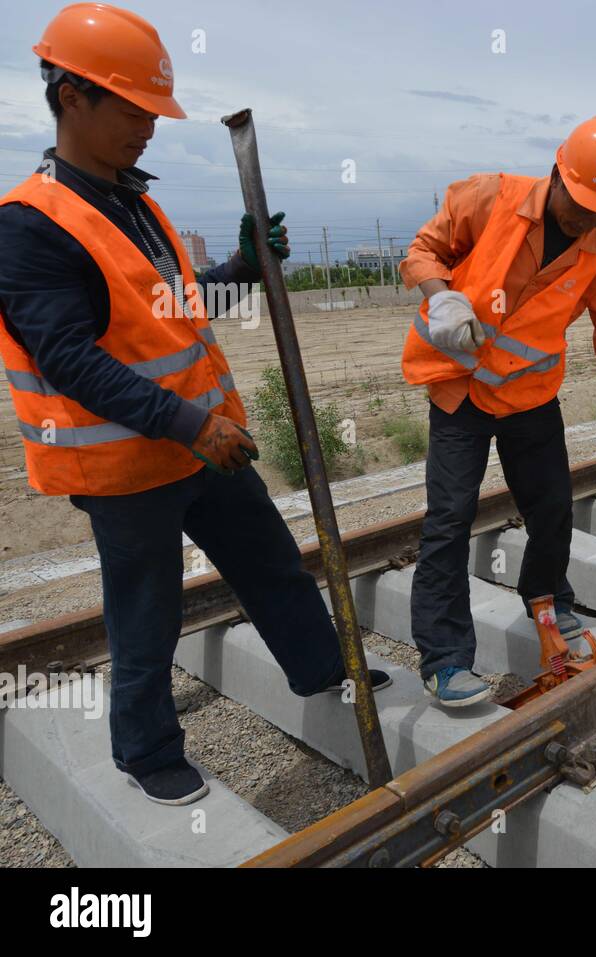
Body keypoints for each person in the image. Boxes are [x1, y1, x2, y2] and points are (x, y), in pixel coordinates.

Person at [0, 3, 386, 806]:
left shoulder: (133, 200)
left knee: (272, 563)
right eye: (134, 109)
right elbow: (68, 358)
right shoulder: (30, 224)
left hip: (203, 443)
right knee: (147, 613)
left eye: (154, 113)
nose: (149, 128)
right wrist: (190, 423)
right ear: (73, 97)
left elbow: (179, 309)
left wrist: (247, 261)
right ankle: (145, 751)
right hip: (129, 461)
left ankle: (323, 671)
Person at [400, 116, 596, 706]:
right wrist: (442, 297)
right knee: (450, 518)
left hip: (529, 397)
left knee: (553, 506)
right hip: (459, 388)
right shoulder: (489, 198)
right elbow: (422, 250)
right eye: (583, 205)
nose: (588, 221)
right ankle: (444, 659)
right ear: (558, 173)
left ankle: (548, 600)